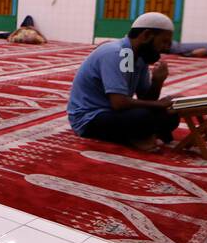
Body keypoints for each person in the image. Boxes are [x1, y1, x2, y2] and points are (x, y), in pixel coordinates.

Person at [67, 12, 180, 153]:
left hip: (115, 113)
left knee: (172, 113)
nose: (166, 48)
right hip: (91, 118)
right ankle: (137, 136)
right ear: (146, 35)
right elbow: (119, 103)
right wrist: (158, 104)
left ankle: (138, 134)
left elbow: (146, 99)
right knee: (145, 116)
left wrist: (157, 82)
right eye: (164, 42)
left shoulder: (139, 57)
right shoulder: (115, 53)